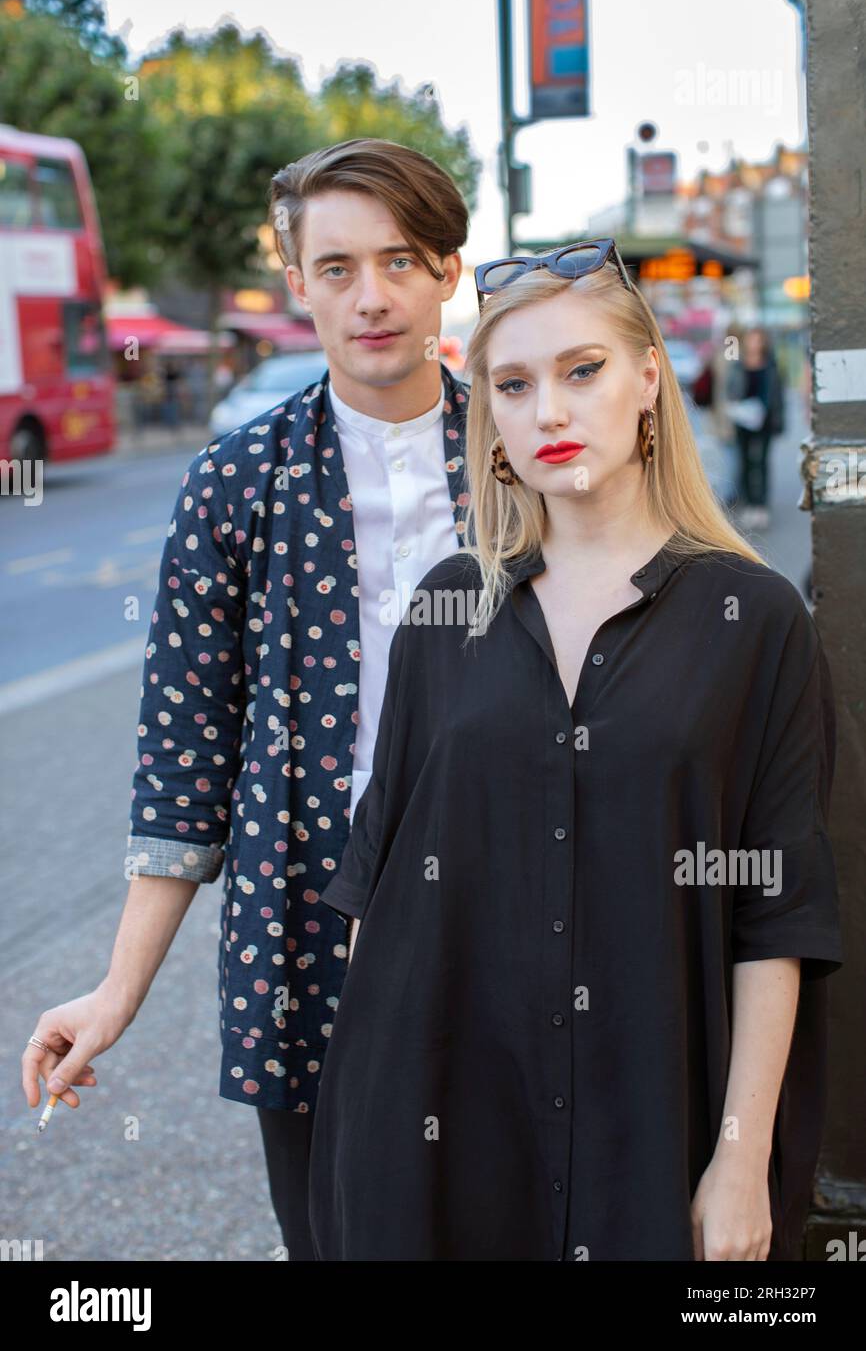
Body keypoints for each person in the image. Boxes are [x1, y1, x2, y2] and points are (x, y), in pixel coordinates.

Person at [309, 241, 843, 1261]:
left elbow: (776, 915)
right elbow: (379, 894)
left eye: (580, 370)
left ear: (648, 380)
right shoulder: (446, 608)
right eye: (512, 384)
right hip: (446, 1134)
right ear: (490, 419)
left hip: (653, 1128)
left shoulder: (753, 617)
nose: (547, 410)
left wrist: (738, 1158)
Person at [19, 138, 472, 1261]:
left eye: (401, 260)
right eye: (335, 268)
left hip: (510, 912)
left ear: (448, 272)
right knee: (331, 1238)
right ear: (295, 280)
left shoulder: (522, 457)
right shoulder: (234, 482)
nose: (371, 297)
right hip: (307, 934)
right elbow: (184, 753)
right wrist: (117, 990)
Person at [726, 326, 785, 531]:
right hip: (743, 420)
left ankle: (761, 505)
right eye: (751, 339)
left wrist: (778, 421)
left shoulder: (771, 365)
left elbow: (778, 396)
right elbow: (731, 389)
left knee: (761, 462)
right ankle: (748, 503)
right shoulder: (738, 364)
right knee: (744, 462)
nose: (754, 344)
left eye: (758, 340)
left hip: (765, 422)